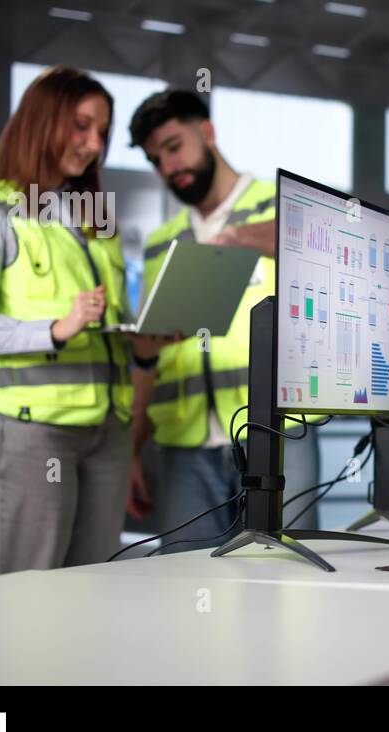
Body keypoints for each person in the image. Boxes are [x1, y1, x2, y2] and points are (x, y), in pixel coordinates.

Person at [0, 66, 169, 574]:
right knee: (30, 598)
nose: (93, 143)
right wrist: (53, 330)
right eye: (81, 124)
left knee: (91, 589)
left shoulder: (96, 218)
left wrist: (145, 344)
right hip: (31, 434)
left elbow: (113, 321)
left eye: (103, 132)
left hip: (107, 433)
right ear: (40, 121)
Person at [125, 90, 321, 551]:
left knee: (287, 581)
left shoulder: (283, 211)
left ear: (207, 133)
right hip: (184, 450)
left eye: (174, 147)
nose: (169, 168)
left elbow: (343, 254)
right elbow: (147, 361)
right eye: (157, 159)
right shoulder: (160, 244)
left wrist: (267, 238)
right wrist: (133, 449)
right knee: (182, 583)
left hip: (276, 436)